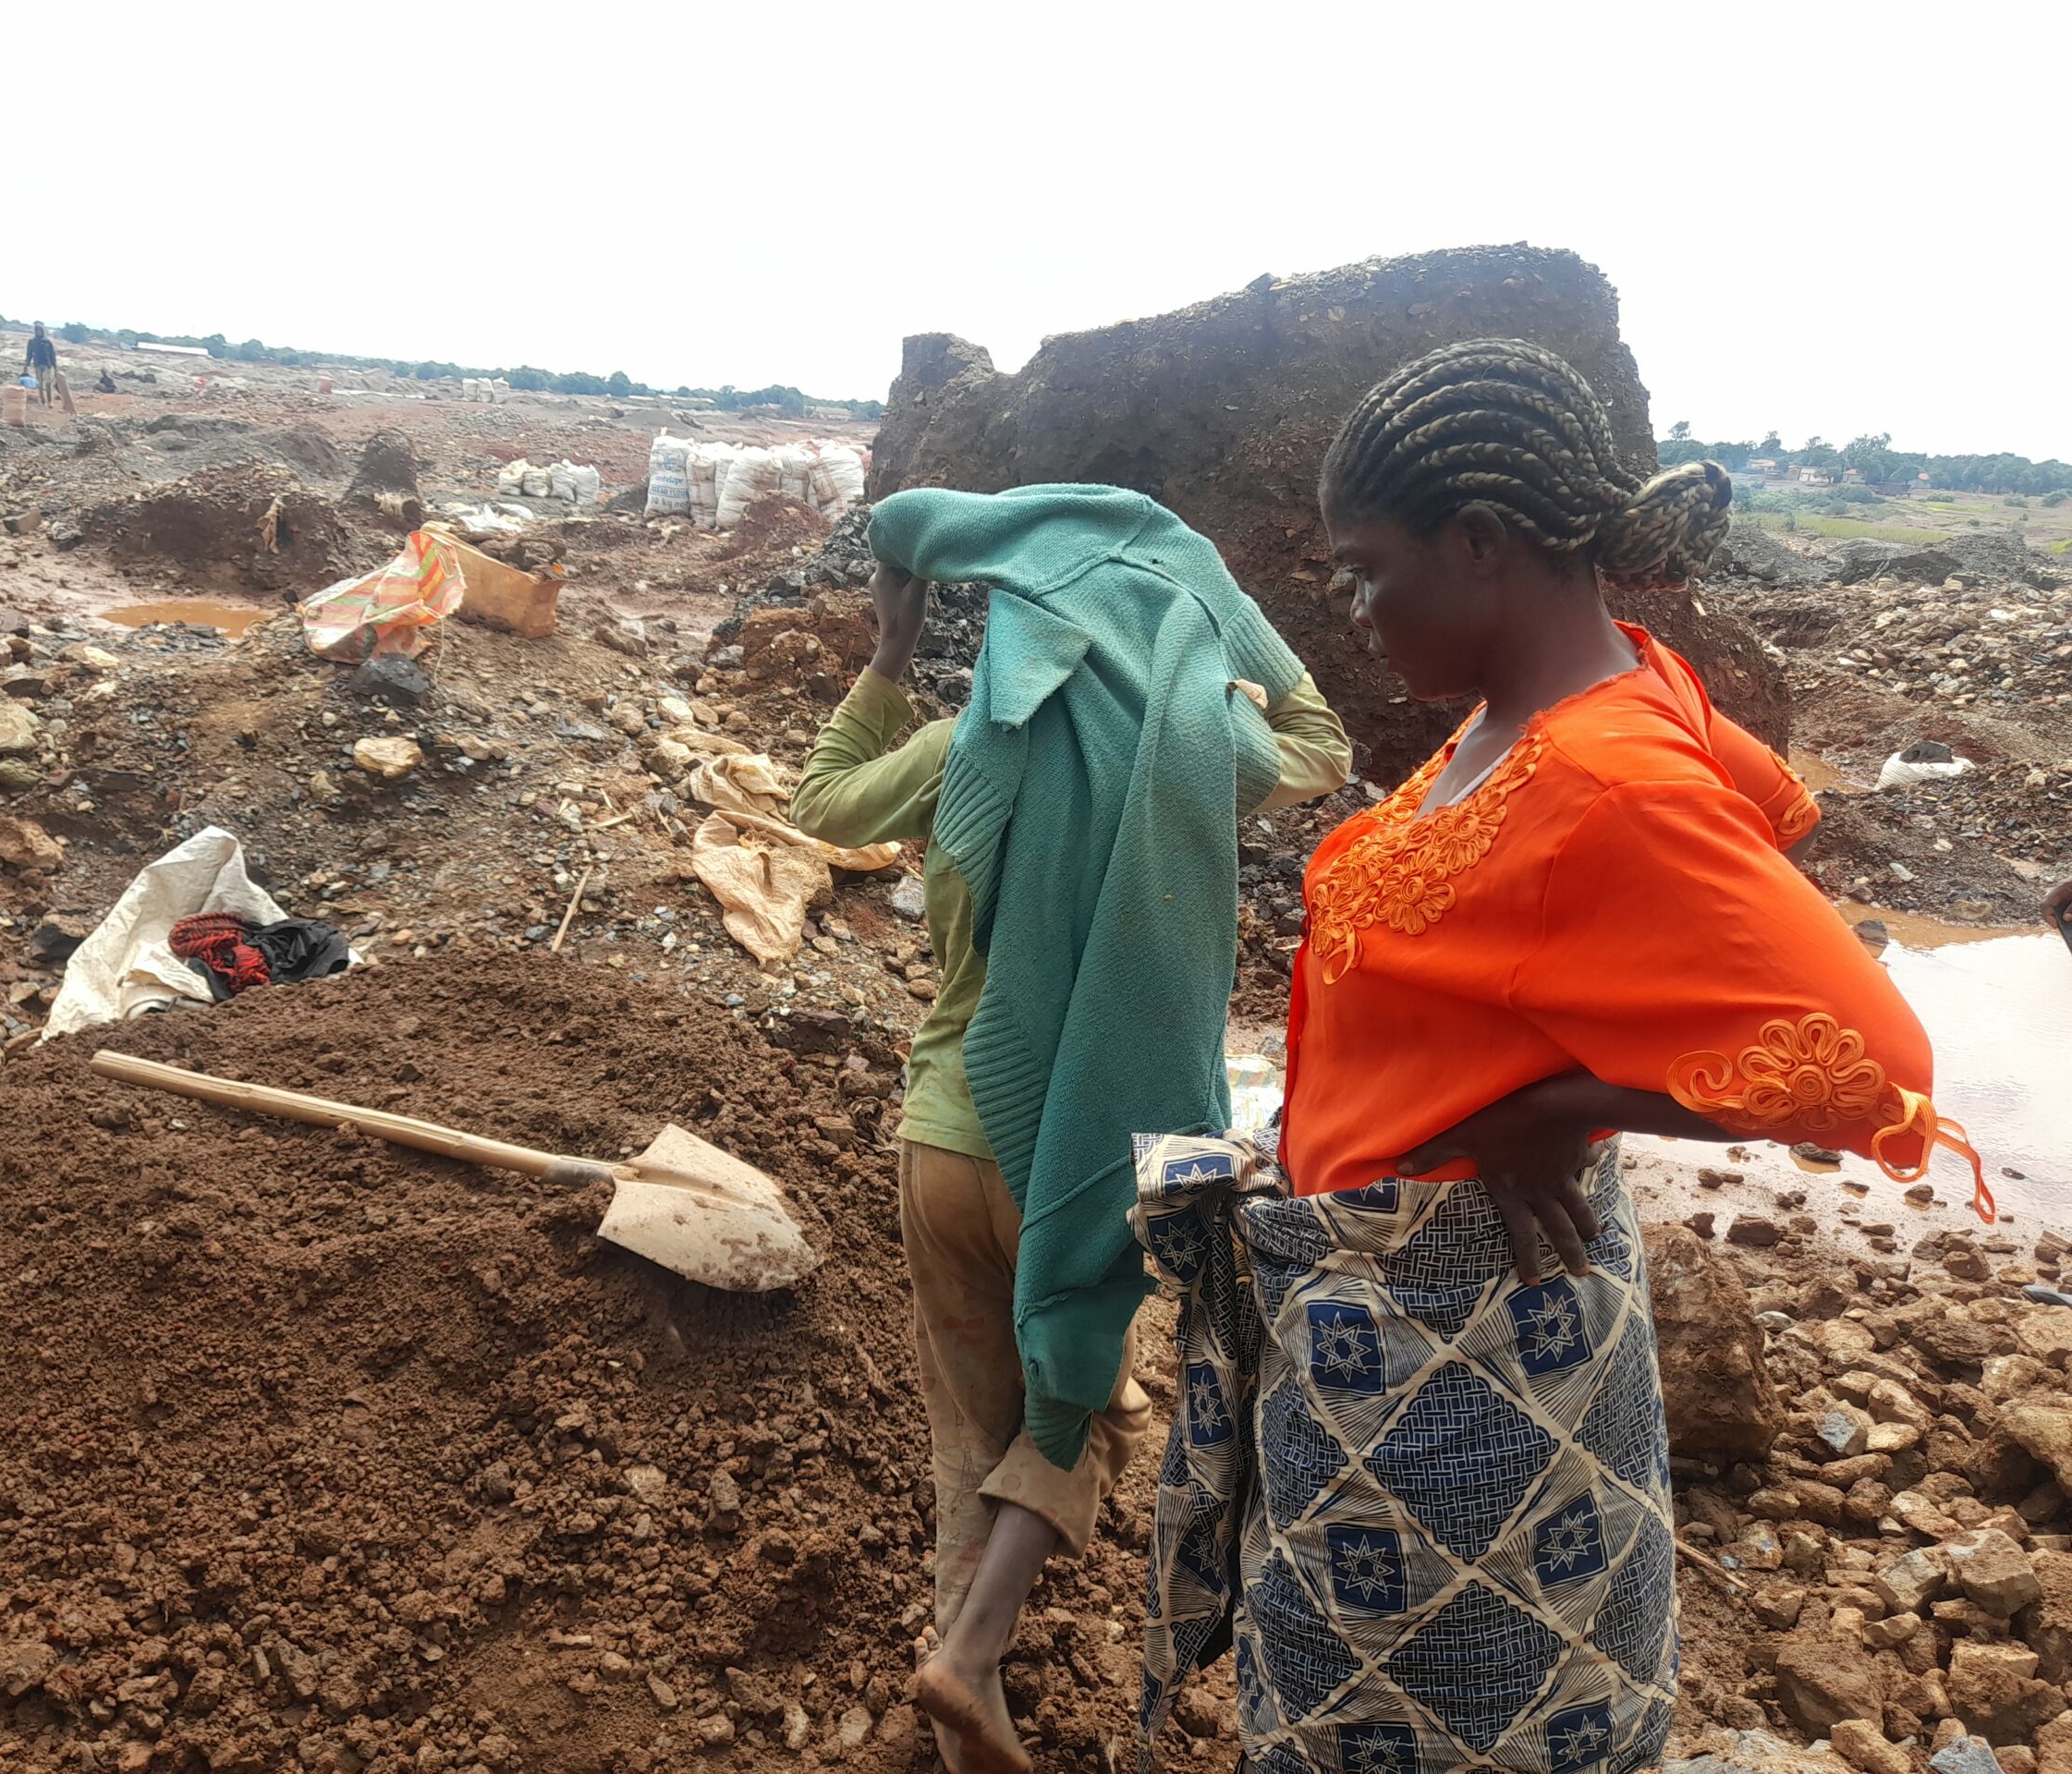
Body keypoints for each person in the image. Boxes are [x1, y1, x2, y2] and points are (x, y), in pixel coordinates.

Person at [1134, 339, 1985, 1774]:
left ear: (1480, 544)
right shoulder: (1544, 715)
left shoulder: (1601, 772)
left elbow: (1870, 1058)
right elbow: (1745, 814)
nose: (1350, 604)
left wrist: (1563, 1103)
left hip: (1463, 1367)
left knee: (1456, 1721)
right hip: (1388, 1336)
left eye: (1366, 566)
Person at [792, 485, 1354, 1774]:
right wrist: (1213, 613)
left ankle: (961, 1697)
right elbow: (1322, 740)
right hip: (1094, 1159)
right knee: (1079, 1400)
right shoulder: (1203, 752)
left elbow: (820, 804)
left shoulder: (957, 751)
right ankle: (970, 1660)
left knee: (961, 1443)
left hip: (943, 1137)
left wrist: (887, 651)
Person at [23, 323, 59, 407]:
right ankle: (42, 399)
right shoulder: (32, 342)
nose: (39, 332)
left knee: (48, 383)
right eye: (37, 330)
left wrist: (55, 366)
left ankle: (50, 401)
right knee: (39, 383)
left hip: (47, 364)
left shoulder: (47, 342)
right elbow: (29, 354)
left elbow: (52, 354)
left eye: (40, 330)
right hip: (37, 364)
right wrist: (26, 365)